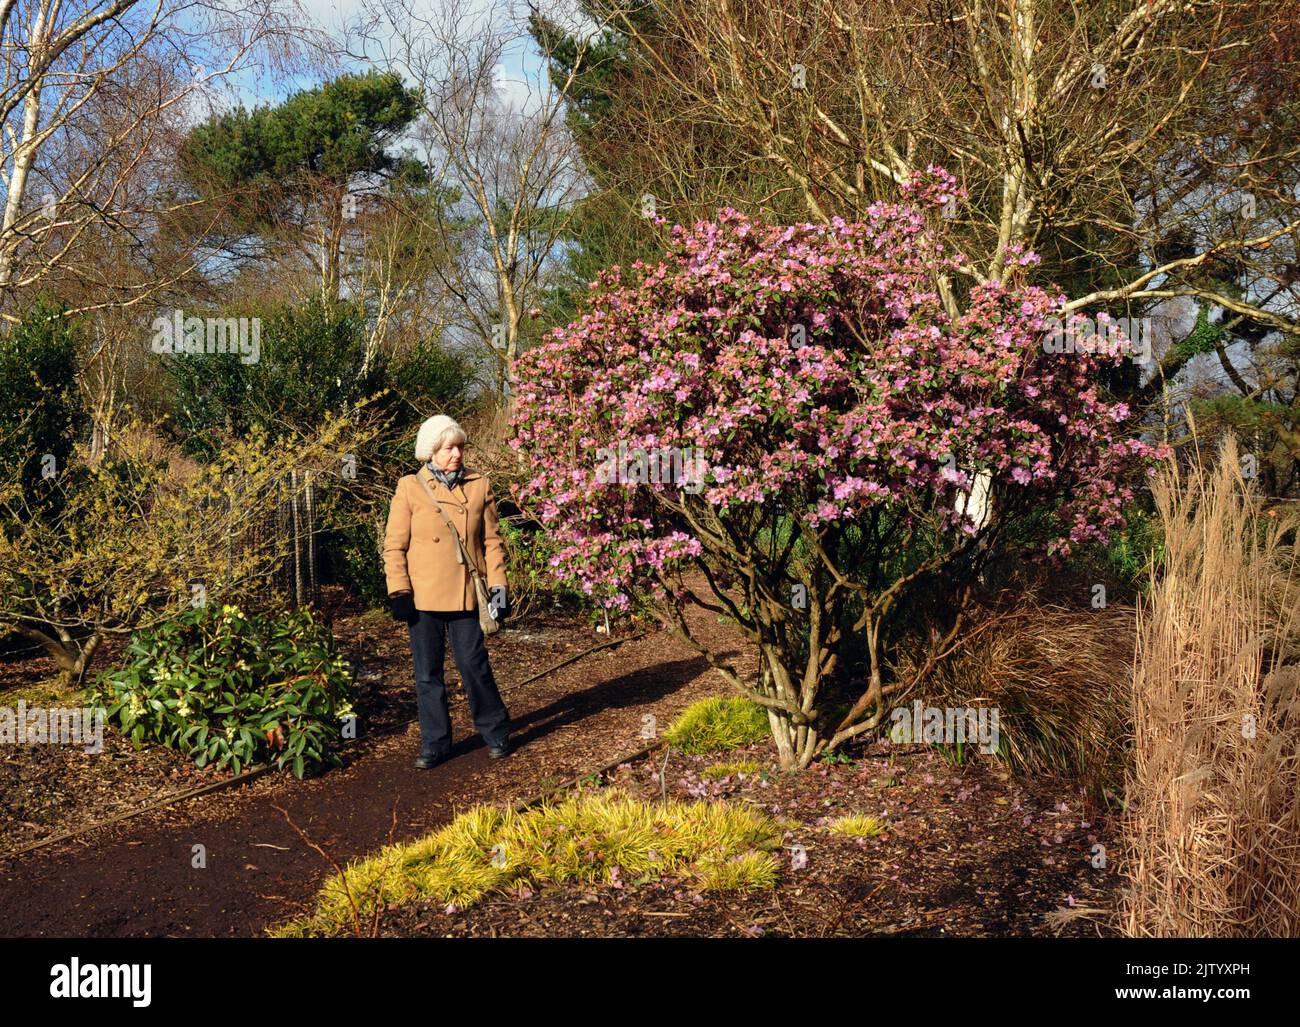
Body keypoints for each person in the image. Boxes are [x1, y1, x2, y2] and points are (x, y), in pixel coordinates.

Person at [383, 414, 513, 768]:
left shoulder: (479, 485)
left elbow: (491, 542)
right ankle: (435, 743)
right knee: (428, 673)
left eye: (459, 447)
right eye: (448, 448)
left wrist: (498, 586)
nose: (457, 454)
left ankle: (496, 731)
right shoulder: (410, 487)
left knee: (474, 665)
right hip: (422, 597)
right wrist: (399, 591)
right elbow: (394, 546)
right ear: (431, 451)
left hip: (465, 591)